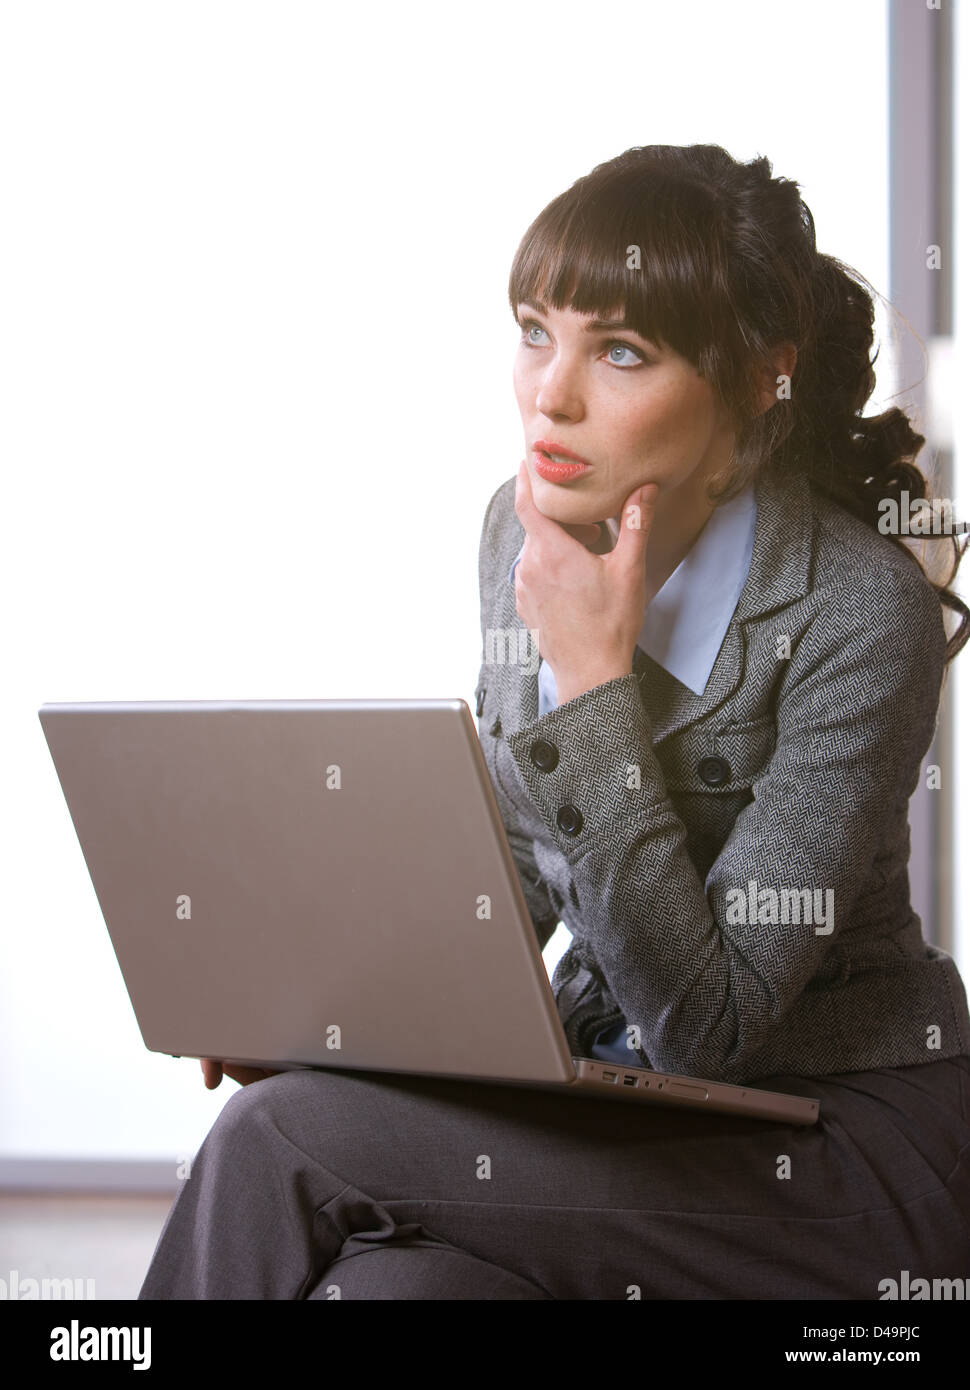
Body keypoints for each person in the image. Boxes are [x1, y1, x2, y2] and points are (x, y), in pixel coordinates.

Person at [139, 144, 970, 1301]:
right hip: (625, 1107)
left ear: (756, 382)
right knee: (387, 1296)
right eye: (536, 329)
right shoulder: (521, 527)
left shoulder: (856, 610)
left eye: (619, 350)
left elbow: (709, 1028)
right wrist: (333, 1013)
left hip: (833, 1150)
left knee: (279, 1137)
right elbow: (521, 869)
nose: (550, 392)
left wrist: (591, 687)